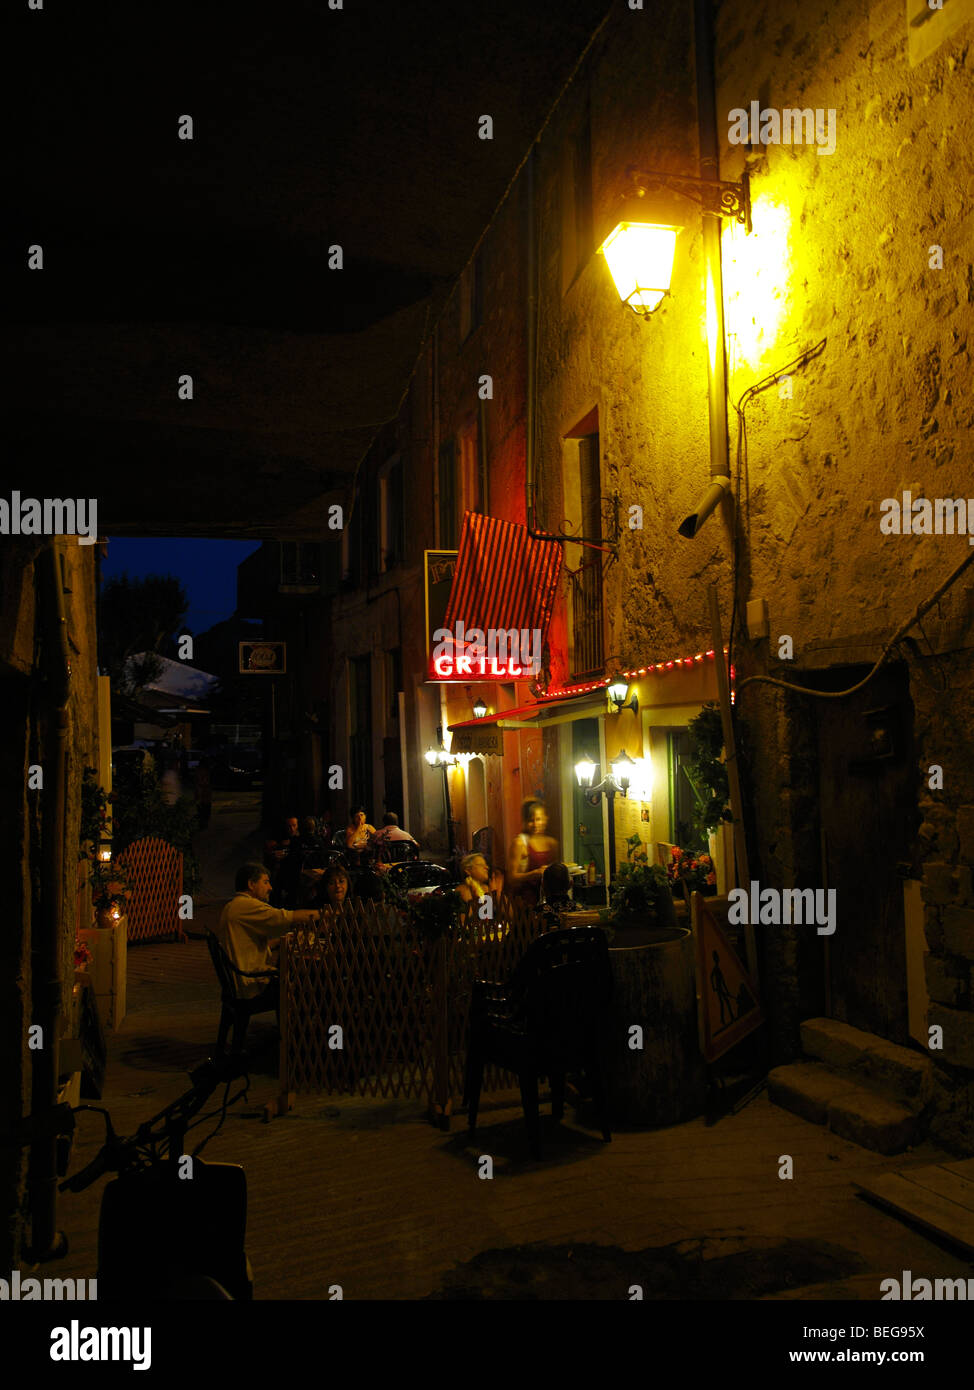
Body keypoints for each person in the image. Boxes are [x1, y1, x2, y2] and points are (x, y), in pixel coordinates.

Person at [214, 863, 319, 1001]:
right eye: (265, 882)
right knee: (306, 980)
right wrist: (325, 914)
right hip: (250, 984)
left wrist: (275, 942)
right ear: (251, 884)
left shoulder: (232, 905)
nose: (270, 888)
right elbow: (285, 918)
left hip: (238, 981)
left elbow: (245, 945)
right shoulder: (247, 906)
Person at [508, 799, 559, 904]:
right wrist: (533, 874)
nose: (535, 824)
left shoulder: (552, 843)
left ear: (545, 819)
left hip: (549, 899)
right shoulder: (520, 843)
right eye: (531, 820)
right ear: (526, 822)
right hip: (526, 901)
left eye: (538, 819)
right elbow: (511, 877)